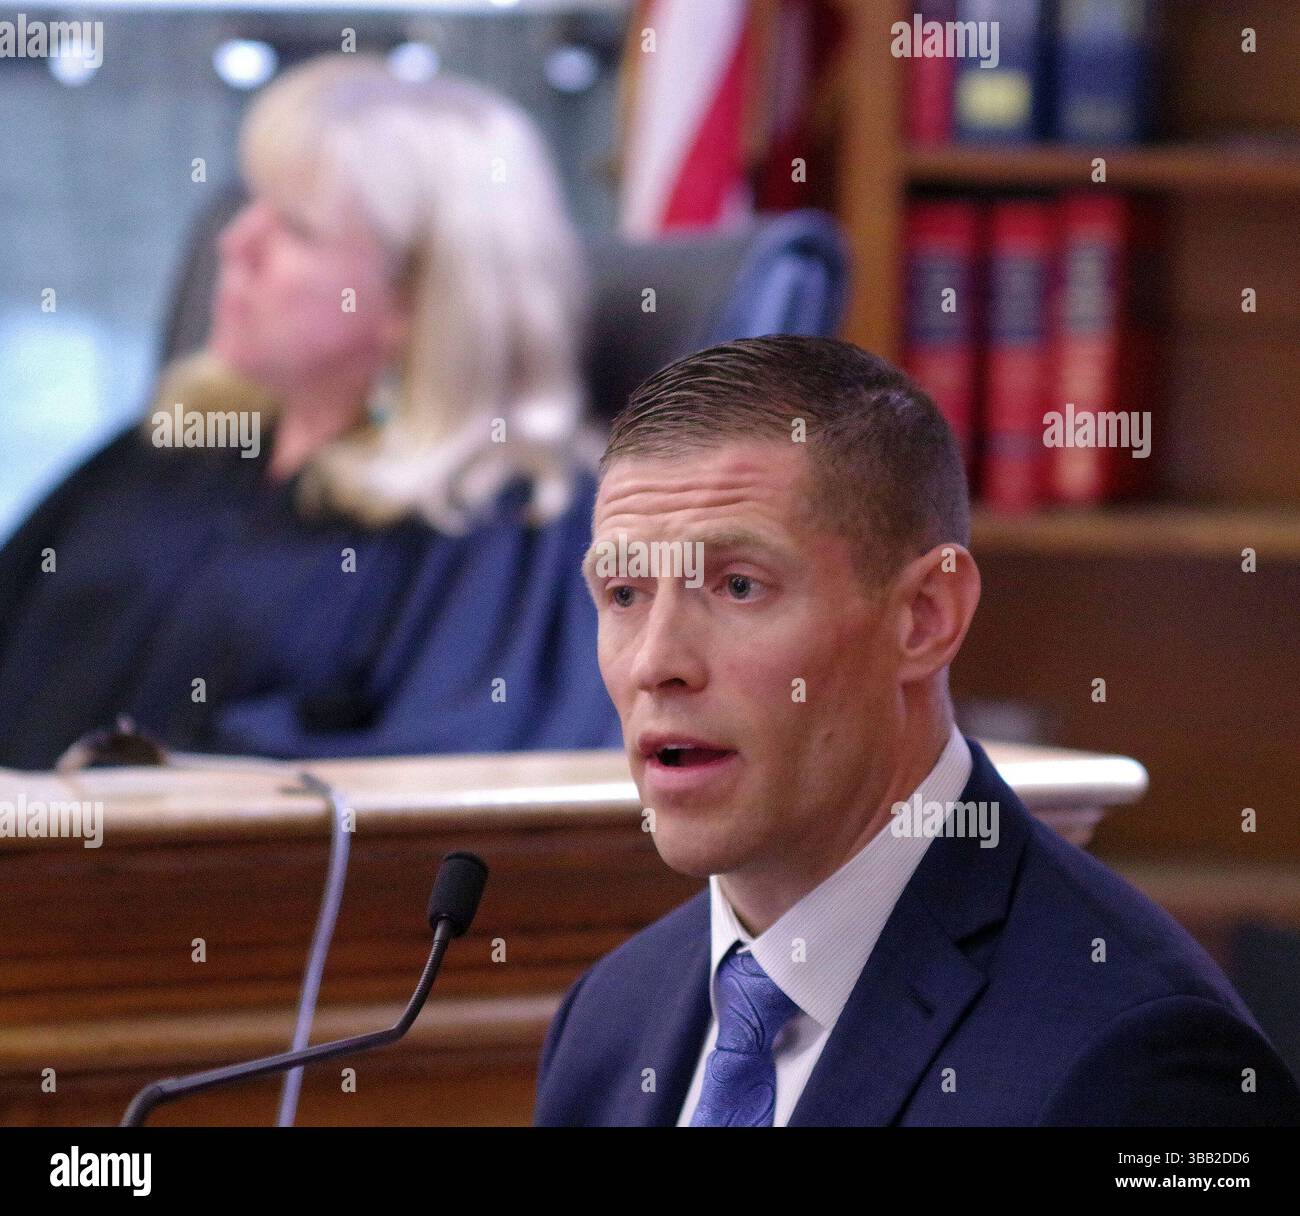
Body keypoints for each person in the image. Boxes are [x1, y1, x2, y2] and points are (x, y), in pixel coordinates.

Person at [533, 335, 1300, 1127]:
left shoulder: (1138, 1062)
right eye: (622, 593)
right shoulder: (607, 1020)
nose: (656, 662)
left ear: (926, 617)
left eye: (737, 585)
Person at [0, 55, 620, 769]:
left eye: (295, 228)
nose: (236, 245)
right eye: (248, 204)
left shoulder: (507, 526)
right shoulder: (173, 448)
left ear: (416, 302)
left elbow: (429, 796)